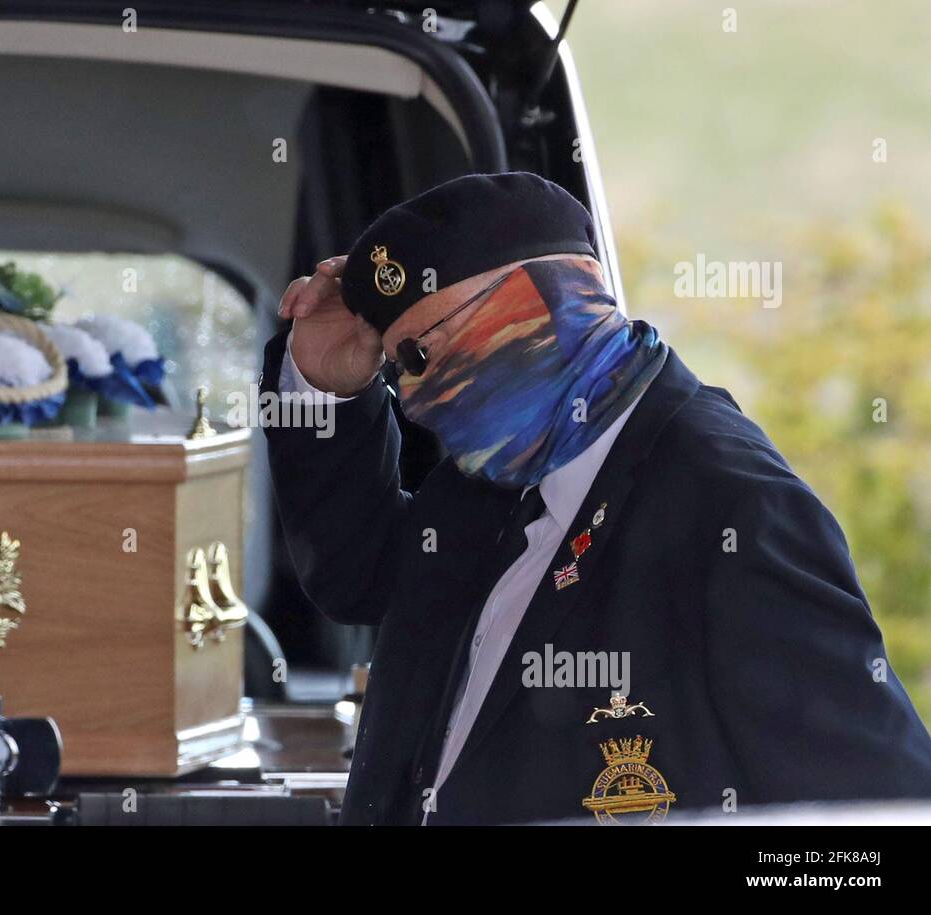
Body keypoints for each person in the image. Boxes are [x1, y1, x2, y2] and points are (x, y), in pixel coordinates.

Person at [263, 172, 931, 825]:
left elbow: (878, 815)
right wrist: (323, 384)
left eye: (419, 354)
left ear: (536, 302)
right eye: (395, 365)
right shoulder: (494, 476)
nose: (412, 395)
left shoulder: (736, 514)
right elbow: (361, 575)